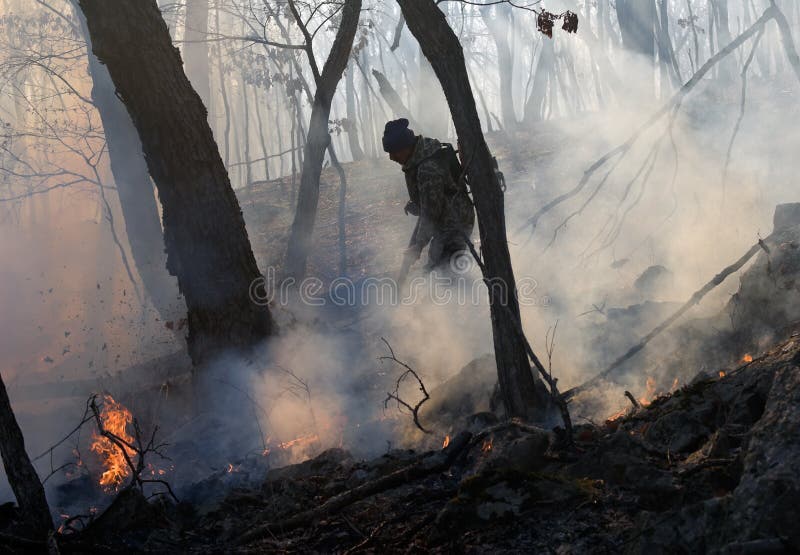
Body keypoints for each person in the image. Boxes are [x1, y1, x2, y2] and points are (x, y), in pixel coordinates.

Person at [382, 118, 475, 274]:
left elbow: (431, 213)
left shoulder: (427, 169)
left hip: (453, 224)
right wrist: (419, 205)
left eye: (394, 151)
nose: (392, 157)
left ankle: (460, 295)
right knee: (444, 267)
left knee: (440, 271)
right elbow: (434, 200)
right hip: (451, 219)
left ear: (405, 147)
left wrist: (418, 246)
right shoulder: (421, 156)